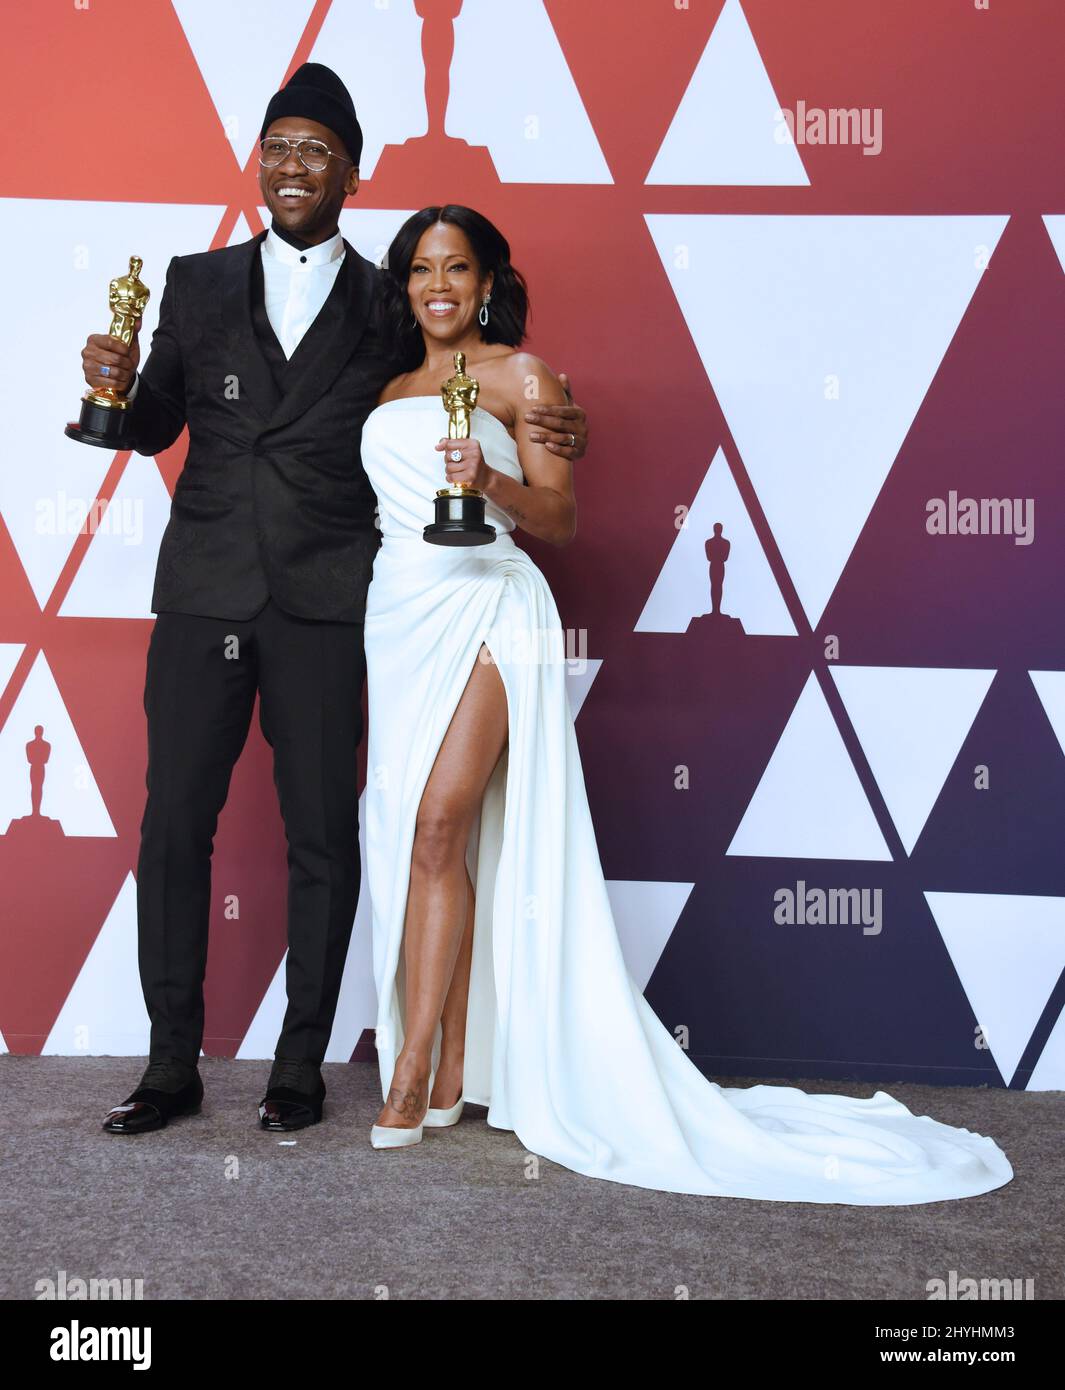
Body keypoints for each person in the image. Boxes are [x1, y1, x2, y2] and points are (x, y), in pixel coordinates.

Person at [360, 205, 1014, 1203]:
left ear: (489, 278)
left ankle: (412, 1072)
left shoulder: (528, 378)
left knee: (443, 820)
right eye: (418, 269)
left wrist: (487, 475)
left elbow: (562, 520)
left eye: (456, 267)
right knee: (422, 833)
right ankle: (447, 1070)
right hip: (397, 610)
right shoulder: (391, 382)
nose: (436, 285)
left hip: (494, 602)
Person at [76, 64, 588, 1136]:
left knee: (323, 831)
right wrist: (112, 393)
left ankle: (298, 1066)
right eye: (278, 147)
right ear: (258, 162)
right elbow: (158, 420)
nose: (292, 165)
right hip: (205, 588)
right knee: (174, 823)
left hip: (329, 600)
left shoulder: (388, 302)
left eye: (315, 149)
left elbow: (467, 377)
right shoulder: (195, 280)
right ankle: (170, 1064)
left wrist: (557, 428)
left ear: (351, 174)